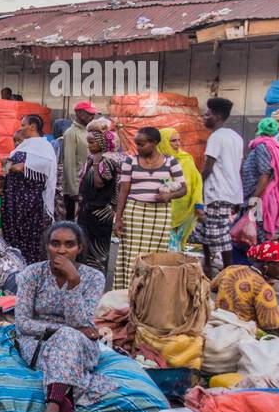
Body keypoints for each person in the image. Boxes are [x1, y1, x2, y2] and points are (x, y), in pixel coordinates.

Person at [14, 222, 106, 412]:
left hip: (78, 344)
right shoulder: (32, 274)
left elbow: (82, 321)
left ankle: (52, 408)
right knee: (67, 342)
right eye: (55, 244)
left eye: (69, 245)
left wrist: (73, 283)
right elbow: (22, 323)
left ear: (79, 248)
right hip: (38, 343)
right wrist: (62, 330)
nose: (62, 251)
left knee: (69, 342)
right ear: (47, 247)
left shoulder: (93, 277)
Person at [112, 125, 187, 291]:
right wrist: (118, 219)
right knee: (132, 256)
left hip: (160, 215)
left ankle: (150, 293)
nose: (137, 148)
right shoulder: (130, 161)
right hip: (134, 212)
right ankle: (129, 293)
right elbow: (124, 190)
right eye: (137, 144)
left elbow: (183, 188)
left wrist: (169, 196)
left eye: (142, 144)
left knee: (155, 255)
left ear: (154, 143)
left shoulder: (171, 162)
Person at [211, 240, 279, 363]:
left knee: (276, 312)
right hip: (243, 331)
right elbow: (273, 326)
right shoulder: (263, 288)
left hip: (220, 321)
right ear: (267, 264)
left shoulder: (232, 269)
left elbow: (213, 288)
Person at [192, 97, 244, 275]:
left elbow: (208, 167)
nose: (204, 118)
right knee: (205, 229)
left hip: (217, 192)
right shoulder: (236, 137)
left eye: (207, 115)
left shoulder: (216, 137)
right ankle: (207, 265)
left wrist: (195, 185)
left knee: (220, 235)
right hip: (230, 191)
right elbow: (239, 167)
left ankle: (227, 273)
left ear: (218, 116)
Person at [1, 114, 57, 265]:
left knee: (28, 236)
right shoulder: (25, 145)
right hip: (14, 199)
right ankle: (13, 267)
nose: (21, 128)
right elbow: (6, 169)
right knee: (14, 236)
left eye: (23, 125)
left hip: (29, 201)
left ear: (32, 126)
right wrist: (6, 163)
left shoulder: (44, 146)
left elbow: (45, 168)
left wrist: (23, 167)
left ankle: (28, 269)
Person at [75, 120, 125, 274]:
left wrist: (96, 165)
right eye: (88, 142)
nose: (89, 146)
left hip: (101, 212)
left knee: (97, 250)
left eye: (92, 142)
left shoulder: (107, 160)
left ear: (102, 143)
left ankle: (96, 280)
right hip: (88, 209)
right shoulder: (94, 157)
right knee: (84, 246)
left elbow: (99, 184)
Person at [241, 117, 279, 245]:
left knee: (254, 235)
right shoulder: (273, 146)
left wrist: (254, 200)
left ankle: (256, 263)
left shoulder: (262, 147)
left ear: (259, 129)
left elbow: (265, 176)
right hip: (260, 197)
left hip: (258, 199)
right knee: (252, 233)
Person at [161, 126, 203, 249]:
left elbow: (197, 182)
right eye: (173, 141)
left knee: (176, 244)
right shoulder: (157, 160)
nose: (177, 143)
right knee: (164, 244)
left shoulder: (186, 158)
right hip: (165, 208)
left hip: (186, 210)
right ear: (163, 141)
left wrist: (198, 203)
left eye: (179, 140)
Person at [61, 101, 95, 221]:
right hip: (75, 188)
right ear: (79, 113)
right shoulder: (71, 133)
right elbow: (69, 163)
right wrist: (74, 191)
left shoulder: (88, 131)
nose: (93, 117)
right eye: (90, 114)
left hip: (86, 185)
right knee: (73, 223)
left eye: (93, 114)